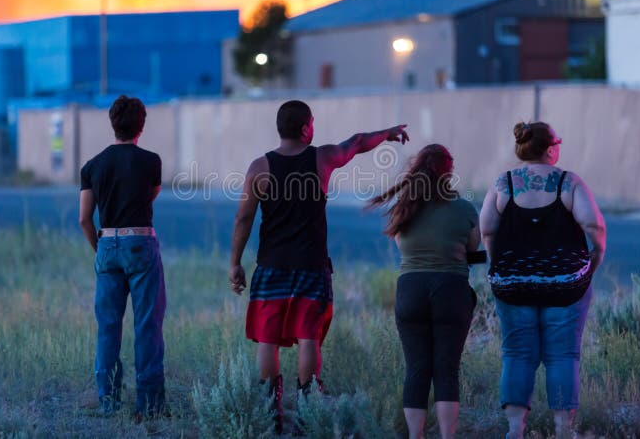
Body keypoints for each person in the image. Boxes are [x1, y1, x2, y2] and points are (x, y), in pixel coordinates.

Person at [228, 100, 409, 433]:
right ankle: (308, 407)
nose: (314, 127)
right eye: (312, 122)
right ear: (304, 128)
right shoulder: (321, 158)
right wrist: (388, 133)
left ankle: (270, 412)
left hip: (271, 266)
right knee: (308, 337)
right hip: (312, 267)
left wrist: (235, 263)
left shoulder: (259, 167)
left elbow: (243, 218)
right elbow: (356, 143)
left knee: (268, 339)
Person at [479, 122, 606, 439]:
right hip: (566, 285)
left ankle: (514, 430)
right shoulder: (568, 182)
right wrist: (595, 258)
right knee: (563, 355)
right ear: (550, 149)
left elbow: (487, 230)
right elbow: (594, 226)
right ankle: (563, 429)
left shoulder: (504, 183)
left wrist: (500, 264)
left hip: (513, 284)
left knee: (517, 354)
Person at [368, 144, 480, 439]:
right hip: (451, 290)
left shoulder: (404, 209)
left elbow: (401, 245)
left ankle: (415, 435)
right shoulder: (465, 209)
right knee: (446, 371)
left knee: (417, 369)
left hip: (411, 290)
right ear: (449, 172)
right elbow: (473, 246)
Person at [78, 95, 166, 421]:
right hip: (140, 242)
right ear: (141, 126)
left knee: (108, 327)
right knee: (148, 324)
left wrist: (100, 248)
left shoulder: (92, 166)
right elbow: (149, 198)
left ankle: (109, 402)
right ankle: (150, 404)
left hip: (107, 244)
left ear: (112, 123)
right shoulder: (151, 162)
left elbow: (84, 218)